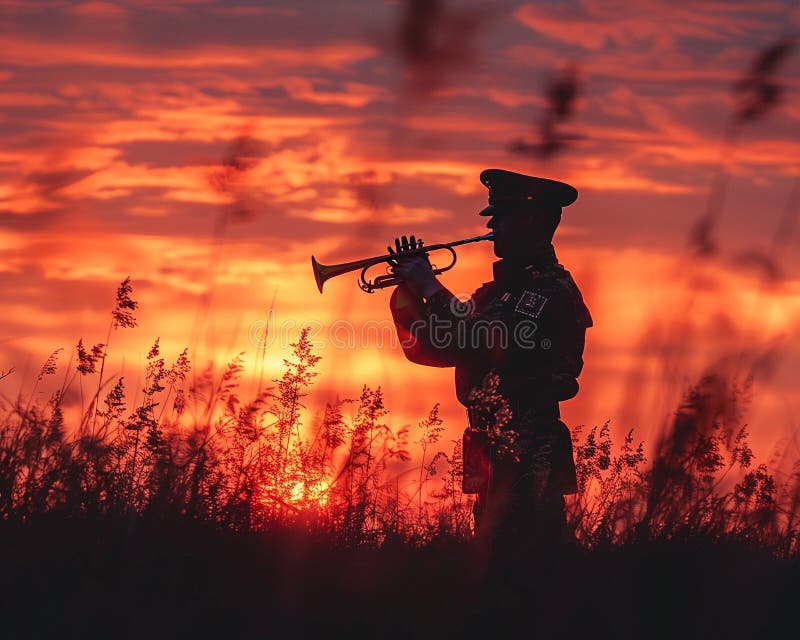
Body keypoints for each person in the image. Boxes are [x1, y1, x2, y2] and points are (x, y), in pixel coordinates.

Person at [387, 168, 593, 548]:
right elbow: (439, 348)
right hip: (489, 445)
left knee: (530, 554)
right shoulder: (497, 293)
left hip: (529, 445)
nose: (493, 225)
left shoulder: (550, 291)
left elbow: (491, 344)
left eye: (503, 216)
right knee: (495, 552)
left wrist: (432, 287)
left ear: (533, 219)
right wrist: (410, 295)